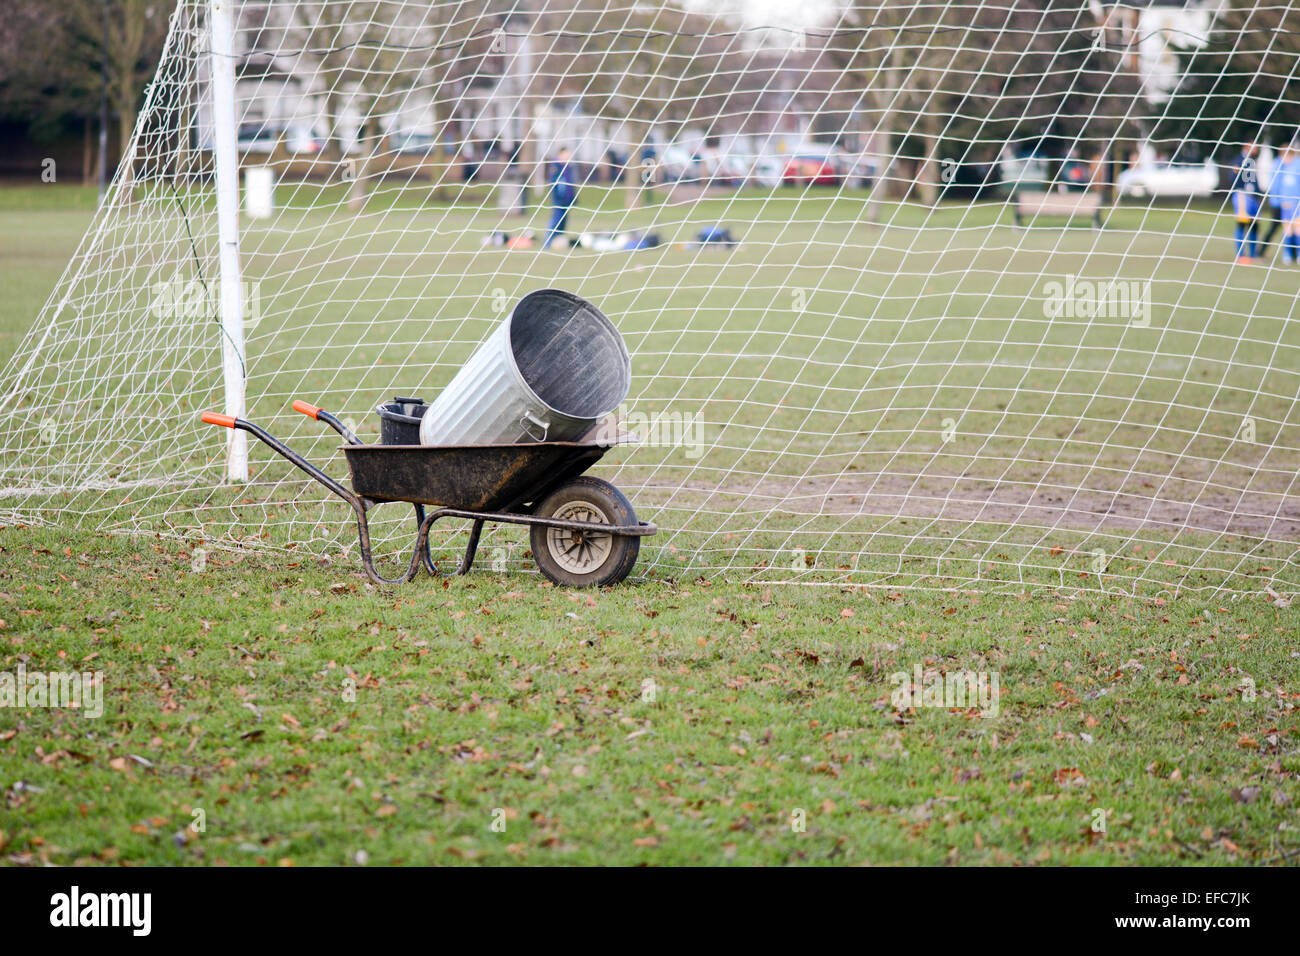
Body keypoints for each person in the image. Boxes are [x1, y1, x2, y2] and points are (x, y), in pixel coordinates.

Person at [1229, 138, 1261, 263]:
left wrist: (1259, 193)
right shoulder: (1238, 160)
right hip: (1242, 196)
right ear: (1246, 146)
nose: (1256, 149)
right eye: (1254, 146)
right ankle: (1240, 255)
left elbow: (1254, 181)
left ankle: (1253, 255)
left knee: (1254, 225)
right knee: (1241, 223)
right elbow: (1233, 177)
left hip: (1253, 197)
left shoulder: (1252, 161)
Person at [1270, 140, 1300, 265]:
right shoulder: (1279, 165)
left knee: (1298, 229)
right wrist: (1276, 200)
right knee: (1287, 230)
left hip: (1297, 204)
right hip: (1284, 204)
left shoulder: (1297, 165)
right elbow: (1275, 184)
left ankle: (1298, 255)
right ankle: (1287, 255)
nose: (1284, 158)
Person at [544, 147, 577, 249]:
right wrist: (558, 196)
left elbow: (569, 185)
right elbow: (556, 184)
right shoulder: (556, 167)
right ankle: (548, 242)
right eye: (566, 154)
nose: (568, 157)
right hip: (559, 199)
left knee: (563, 221)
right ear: (560, 155)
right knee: (556, 220)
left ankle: (558, 240)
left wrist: (573, 197)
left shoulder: (568, 168)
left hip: (566, 200)